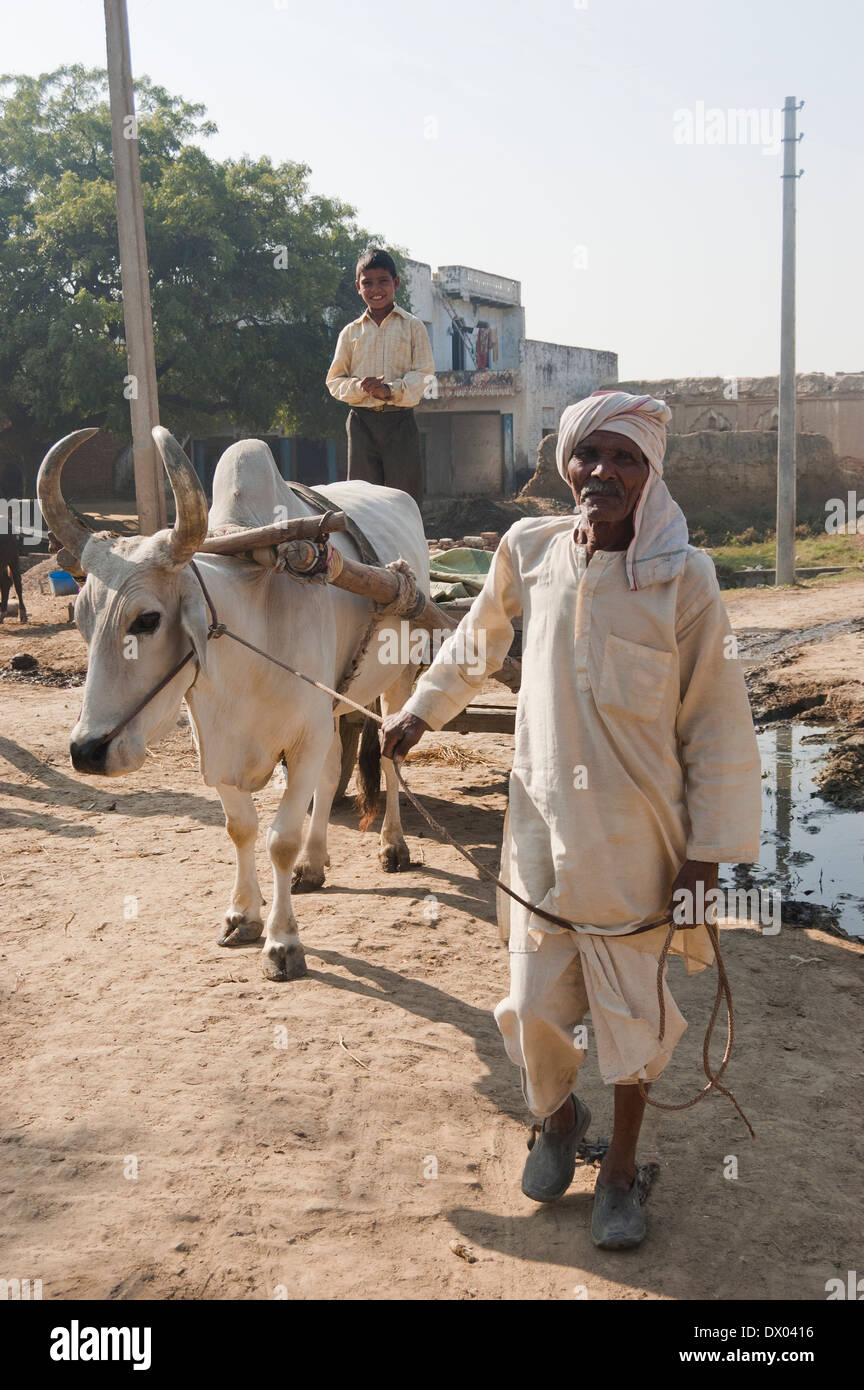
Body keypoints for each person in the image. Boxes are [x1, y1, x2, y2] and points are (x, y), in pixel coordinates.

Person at [381, 390, 762, 1250]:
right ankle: (558, 1119)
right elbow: (476, 641)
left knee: (631, 1019)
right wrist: (420, 710)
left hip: (640, 841)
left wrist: (707, 859)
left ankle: (620, 1171)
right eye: (590, 456)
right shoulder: (530, 547)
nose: (604, 474)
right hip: (539, 823)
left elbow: (717, 723)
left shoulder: (685, 577)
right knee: (530, 1004)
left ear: (650, 472)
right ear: (567, 465)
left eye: (625, 459)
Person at [326, 248, 435, 506]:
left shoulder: (412, 326)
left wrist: (390, 390)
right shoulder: (350, 333)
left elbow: (424, 374)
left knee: (404, 499)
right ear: (358, 287)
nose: (376, 289)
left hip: (400, 422)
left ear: (395, 283)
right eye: (368, 283)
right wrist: (361, 388)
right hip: (361, 423)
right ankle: (365, 547)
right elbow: (334, 381)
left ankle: (409, 546)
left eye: (383, 281)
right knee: (362, 500)